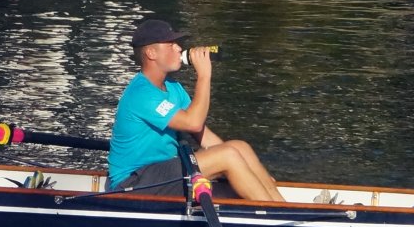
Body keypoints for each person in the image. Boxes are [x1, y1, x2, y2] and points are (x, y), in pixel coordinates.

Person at [107, 15, 284, 203]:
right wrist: (204, 76)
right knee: (228, 155)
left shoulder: (173, 88)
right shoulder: (141, 94)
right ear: (151, 53)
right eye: (170, 44)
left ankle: (283, 208)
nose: (179, 48)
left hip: (164, 170)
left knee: (240, 147)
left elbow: (204, 136)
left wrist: (247, 168)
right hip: (134, 182)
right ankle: (276, 218)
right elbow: (193, 123)